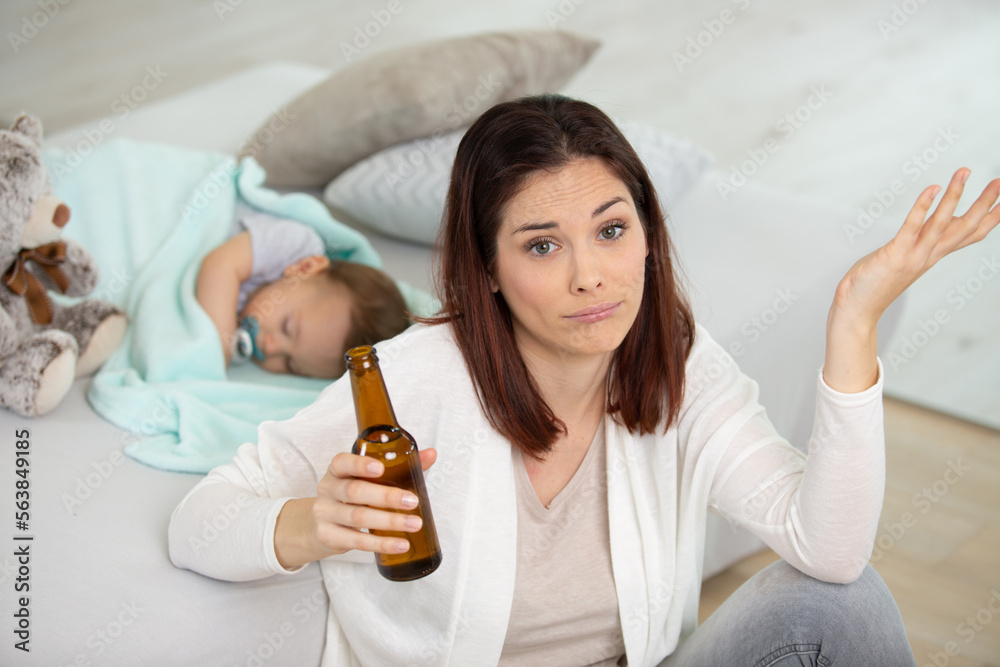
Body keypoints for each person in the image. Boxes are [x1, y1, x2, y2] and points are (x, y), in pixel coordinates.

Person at [169, 95, 999, 666]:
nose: (590, 276)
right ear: (486, 269)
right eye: (540, 244)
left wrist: (853, 321)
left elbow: (832, 547)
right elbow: (199, 521)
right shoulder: (412, 380)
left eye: (610, 229)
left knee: (840, 606)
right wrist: (315, 523)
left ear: (646, 235)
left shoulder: (676, 362)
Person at [195, 202, 409, 378]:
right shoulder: (293, 244)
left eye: (289, 364)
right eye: (286, 327)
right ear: (305, 268)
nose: (270, 349)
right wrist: (216, 356)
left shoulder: (244, 336)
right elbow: (220, 265)